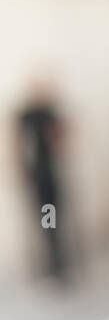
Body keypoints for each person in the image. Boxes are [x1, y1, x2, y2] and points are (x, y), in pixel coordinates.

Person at [14, 80, 68, 282]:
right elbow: (18, 143)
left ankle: (57, 263)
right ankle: (48, 264)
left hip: (50, 176)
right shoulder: (26, 116)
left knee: (53, 221)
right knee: (44, 223)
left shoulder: (49, 114)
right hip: (37, 177)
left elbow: (60, 142)